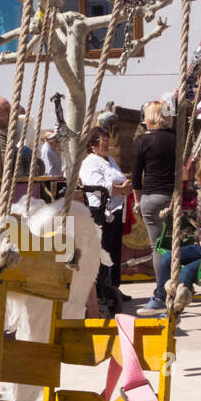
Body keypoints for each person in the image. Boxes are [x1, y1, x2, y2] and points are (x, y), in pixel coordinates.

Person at [141, 150, 201, 313]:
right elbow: (185, 202)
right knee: (168, 258)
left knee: (186, 272)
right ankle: (160, 297)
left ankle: (173, 312)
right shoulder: (200, 196)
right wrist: (183, 182)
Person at [132, 100, 177, 307]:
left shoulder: (142, 141)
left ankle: (160, 292)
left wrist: (137, 200)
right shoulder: (175, 139)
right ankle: (177, 284)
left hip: (151, 196)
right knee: (174, 245)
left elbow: (136, 175)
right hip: (172, 197)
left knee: (157, 247)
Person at [79, 128, 132, 303]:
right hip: (101, 212)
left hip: (116, 210)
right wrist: (121, 189)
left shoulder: (109, 160)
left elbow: (116, 178)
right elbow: (98, 186)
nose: (107, 142)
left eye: (107, 139)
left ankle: (114, 287)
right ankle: (102, 290)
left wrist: (125, 186)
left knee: (114, 251)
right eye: (103, 139)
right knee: (104, 251)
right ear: (93, 144)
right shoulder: (90, 163)